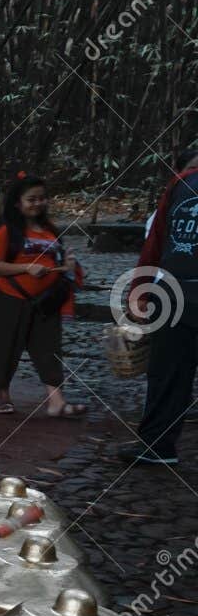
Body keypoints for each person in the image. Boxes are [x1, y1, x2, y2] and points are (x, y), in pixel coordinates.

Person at [0, 173, 88, 419]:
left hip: (46, 302)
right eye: (31, 199)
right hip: (11, 298)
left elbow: (59, 262)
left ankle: (56, 402)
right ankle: (2, 393)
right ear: (18, 203)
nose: (38, 203)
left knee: (49, 349)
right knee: (5, 347)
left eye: (42, 198)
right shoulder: (7, 232)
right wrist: (25, 268)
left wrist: (69, 266)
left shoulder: (50, 231)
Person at [118, 149, 198, 466]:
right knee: (167, 373)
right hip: (175, 294)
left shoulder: (180, 182)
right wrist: (141, 286)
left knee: (168, 373)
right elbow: (158, 239)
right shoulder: (181, 184)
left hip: (176, 295)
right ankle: (156, 445)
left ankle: (157, 444)